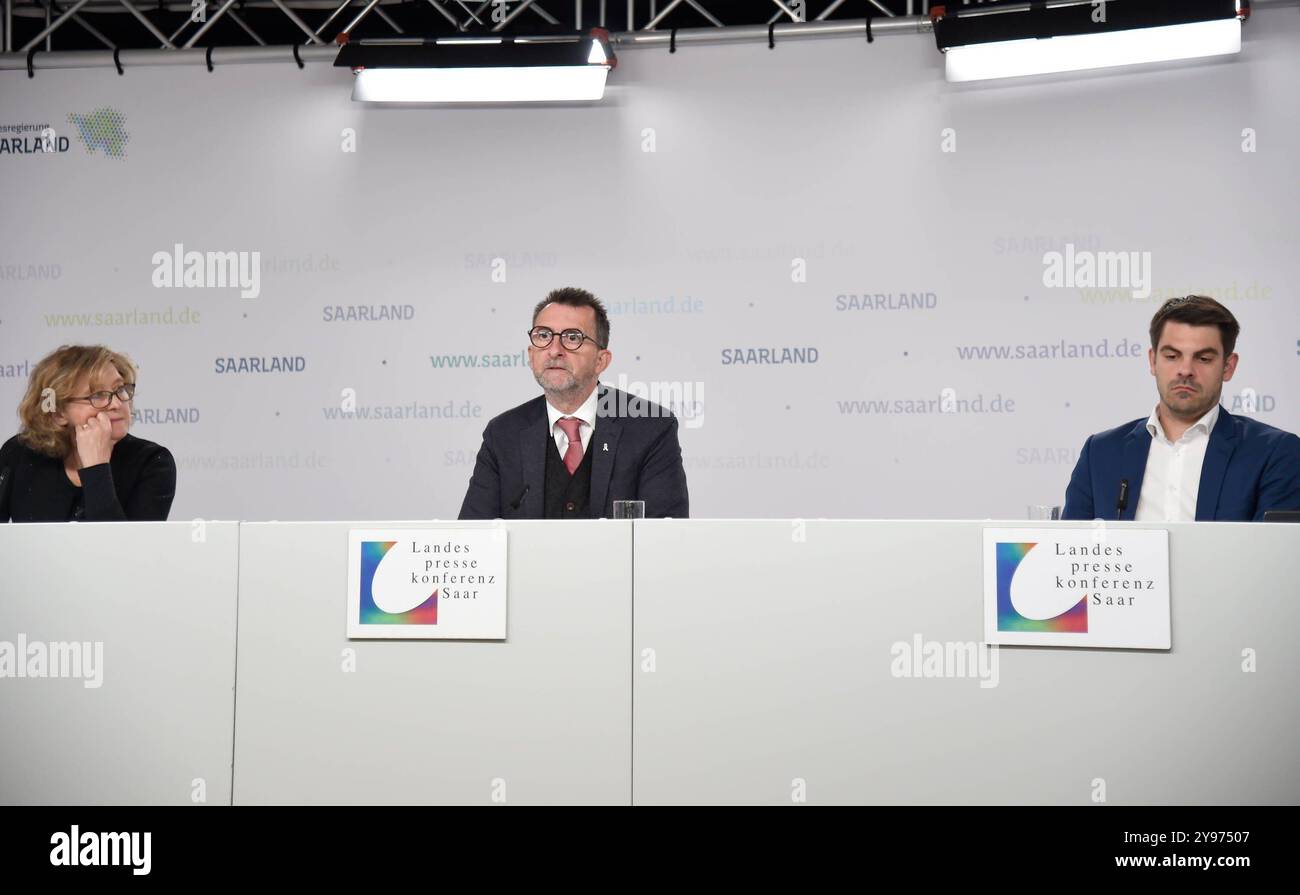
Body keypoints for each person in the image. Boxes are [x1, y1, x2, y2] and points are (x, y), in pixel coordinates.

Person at [1063, 296, 1300, 521]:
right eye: (1172, 356)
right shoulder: (1101, 452)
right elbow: (1070, 551)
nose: (1185, 370)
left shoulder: (1275, 453)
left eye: (1203, 359)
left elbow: (1273, 557)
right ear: (1152, 361)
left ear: (1228, 367)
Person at [459, 287, 689, 519]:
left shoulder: (650, 428)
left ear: (601, 360)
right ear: (531, 355)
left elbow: (665, 541)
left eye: (572, 338)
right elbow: (473, 538)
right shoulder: (503, 434)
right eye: (544, 336)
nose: (554, 350)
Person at [0, 345, 176, 522]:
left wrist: (96, 468)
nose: (117, 404)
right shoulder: (18, 453)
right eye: (98, 395)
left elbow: (122, 548)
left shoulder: (152, 462)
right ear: (58, 413)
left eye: (120, 389)